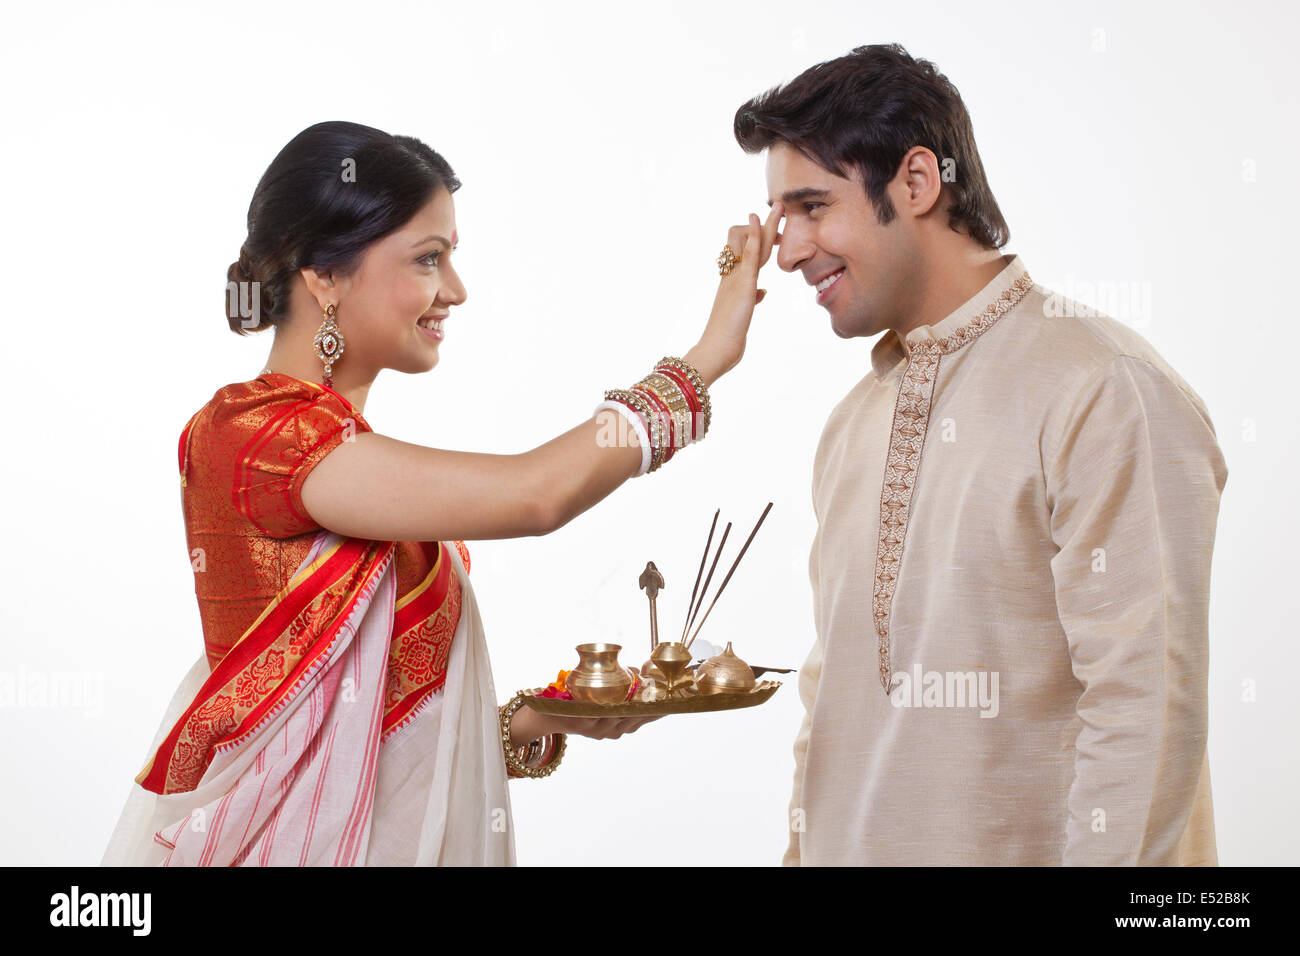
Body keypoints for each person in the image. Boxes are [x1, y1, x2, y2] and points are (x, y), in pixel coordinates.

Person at [100, 120, 784, 866]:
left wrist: (527, 722)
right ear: (324, 274)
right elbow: (535, 495)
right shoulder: (258, 436)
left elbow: (376, 745)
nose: (454, 291)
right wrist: (705, 361)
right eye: (430, 259)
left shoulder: (348, 455)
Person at [734, 44, 1227, 866]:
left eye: (812, 207)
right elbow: (831, 705)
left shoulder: (1103, 387)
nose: (785, 251)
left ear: (917, 183)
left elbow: (1147, 709)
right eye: (780, 218)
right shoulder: (852, 425)